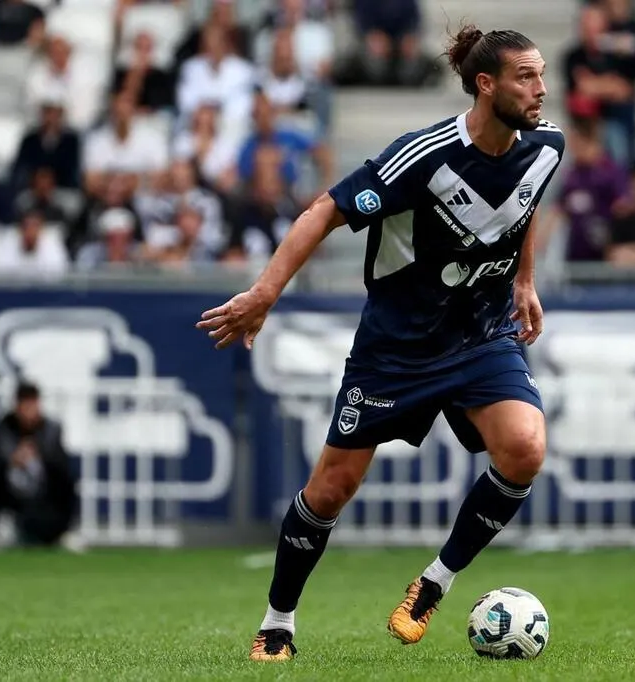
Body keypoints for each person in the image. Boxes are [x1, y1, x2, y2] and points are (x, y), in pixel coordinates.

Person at [196, 24, 562, 662]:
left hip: (482, 336)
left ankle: (434, 584)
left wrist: (524, 279)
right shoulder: (424, 156)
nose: (541, 89)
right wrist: (263, 293)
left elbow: (523, 206)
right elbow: (324, 210)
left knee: (525, 449)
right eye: (526, 77)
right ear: (486, 85)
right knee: (331, 489)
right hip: (396, 350)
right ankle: (278, 621)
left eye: (540, 74)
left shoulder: (546, 145)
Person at [0, 381, 80, 553]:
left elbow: (61, 464)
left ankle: (64, 532)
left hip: (41, 493)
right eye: (26, 405)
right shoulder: (1, 428)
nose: (30, 410)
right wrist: (13, 458)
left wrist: (39, 455)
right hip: (9, 490)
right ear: (17, 406)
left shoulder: (52, 429)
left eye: (34, 404)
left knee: (68, 479)